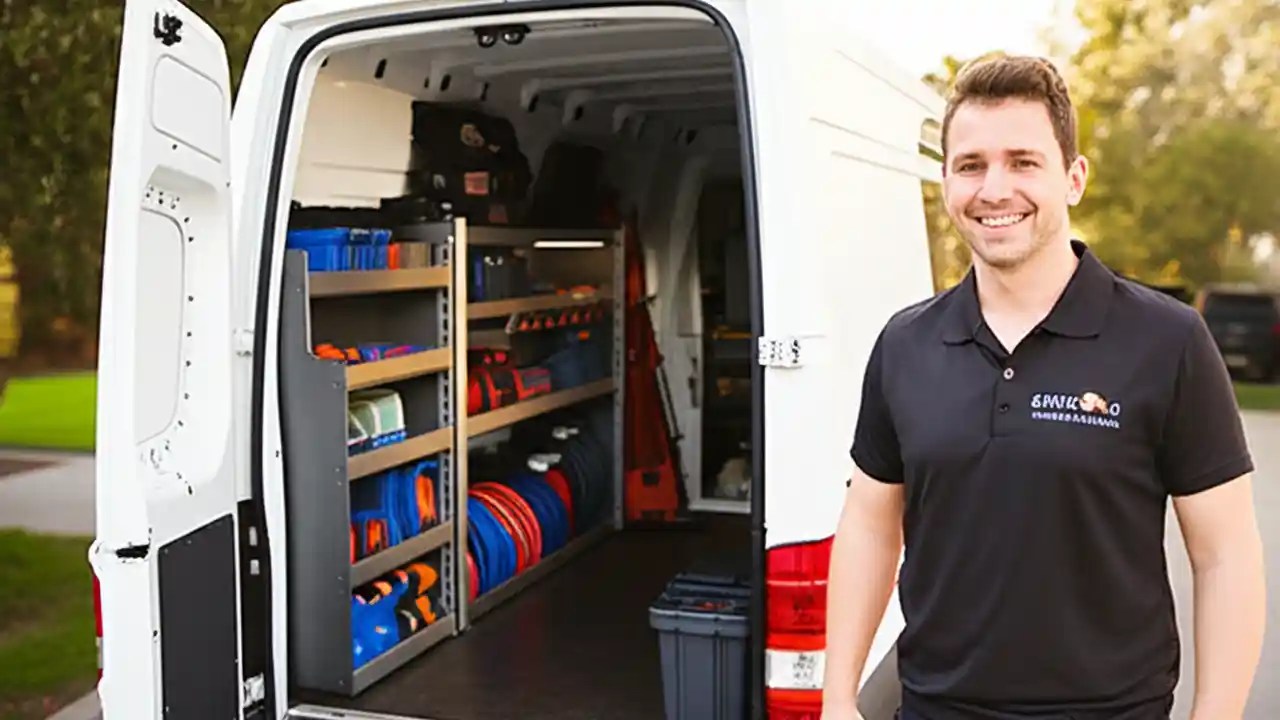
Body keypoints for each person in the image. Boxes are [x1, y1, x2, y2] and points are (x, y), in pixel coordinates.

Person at [821, 54, 1266, 720]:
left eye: (1023, 161)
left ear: (1074, 178)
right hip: (936, 709)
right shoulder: (905, 345)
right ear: (945, 182)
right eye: (970, 165)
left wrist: (1218, 715)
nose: (994, 189)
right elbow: (870, 524)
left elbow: (1226, 552)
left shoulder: (1167, 342)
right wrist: (837, 698)